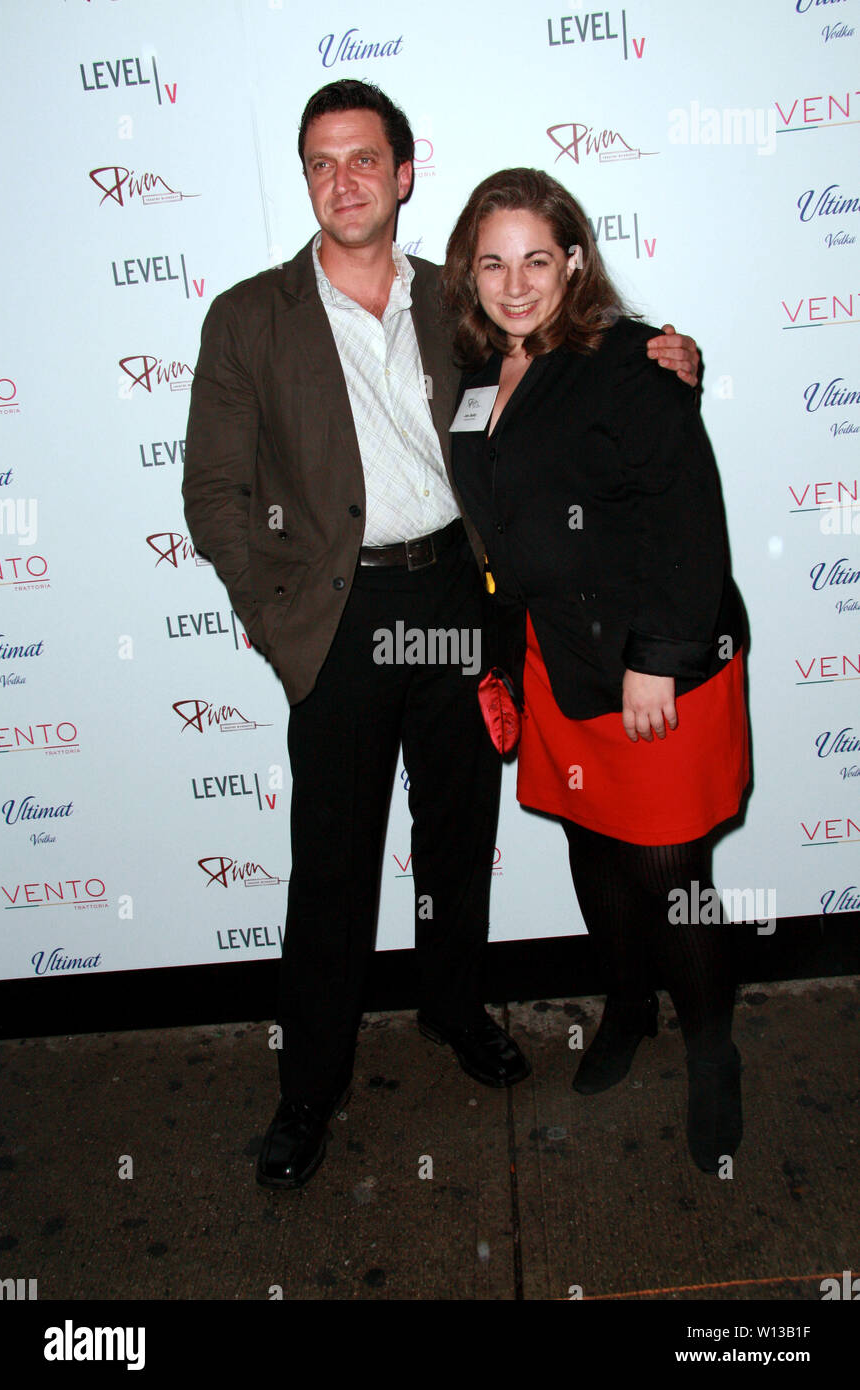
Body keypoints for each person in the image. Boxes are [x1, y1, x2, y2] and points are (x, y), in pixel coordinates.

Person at [182, 82, 701, 1191]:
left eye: (363, 158)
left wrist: (661, 346)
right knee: (331, 864)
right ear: (307, 177)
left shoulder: (454, 302)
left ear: (402, 173)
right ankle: (308, 1085)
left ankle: (454, 1011)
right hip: (336, 615)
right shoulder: (247, 317)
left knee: (456, 831)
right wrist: (280, 628)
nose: (343, 180)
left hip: (461, 603)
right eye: (321, 161)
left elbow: (560, 335)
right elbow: (216, 494)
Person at [442, 168, 750, 1174]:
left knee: (671, 874)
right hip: (554, 660)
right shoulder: (478, 366)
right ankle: (626, 1008)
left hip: (657, 664)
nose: (515, 280)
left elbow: (686, 518)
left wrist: (656, 660)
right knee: (593, 844)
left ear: (573, 259)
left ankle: (713, 1052)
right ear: (469, 272)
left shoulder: (629, 360)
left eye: (537, 256)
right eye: (493, 261)